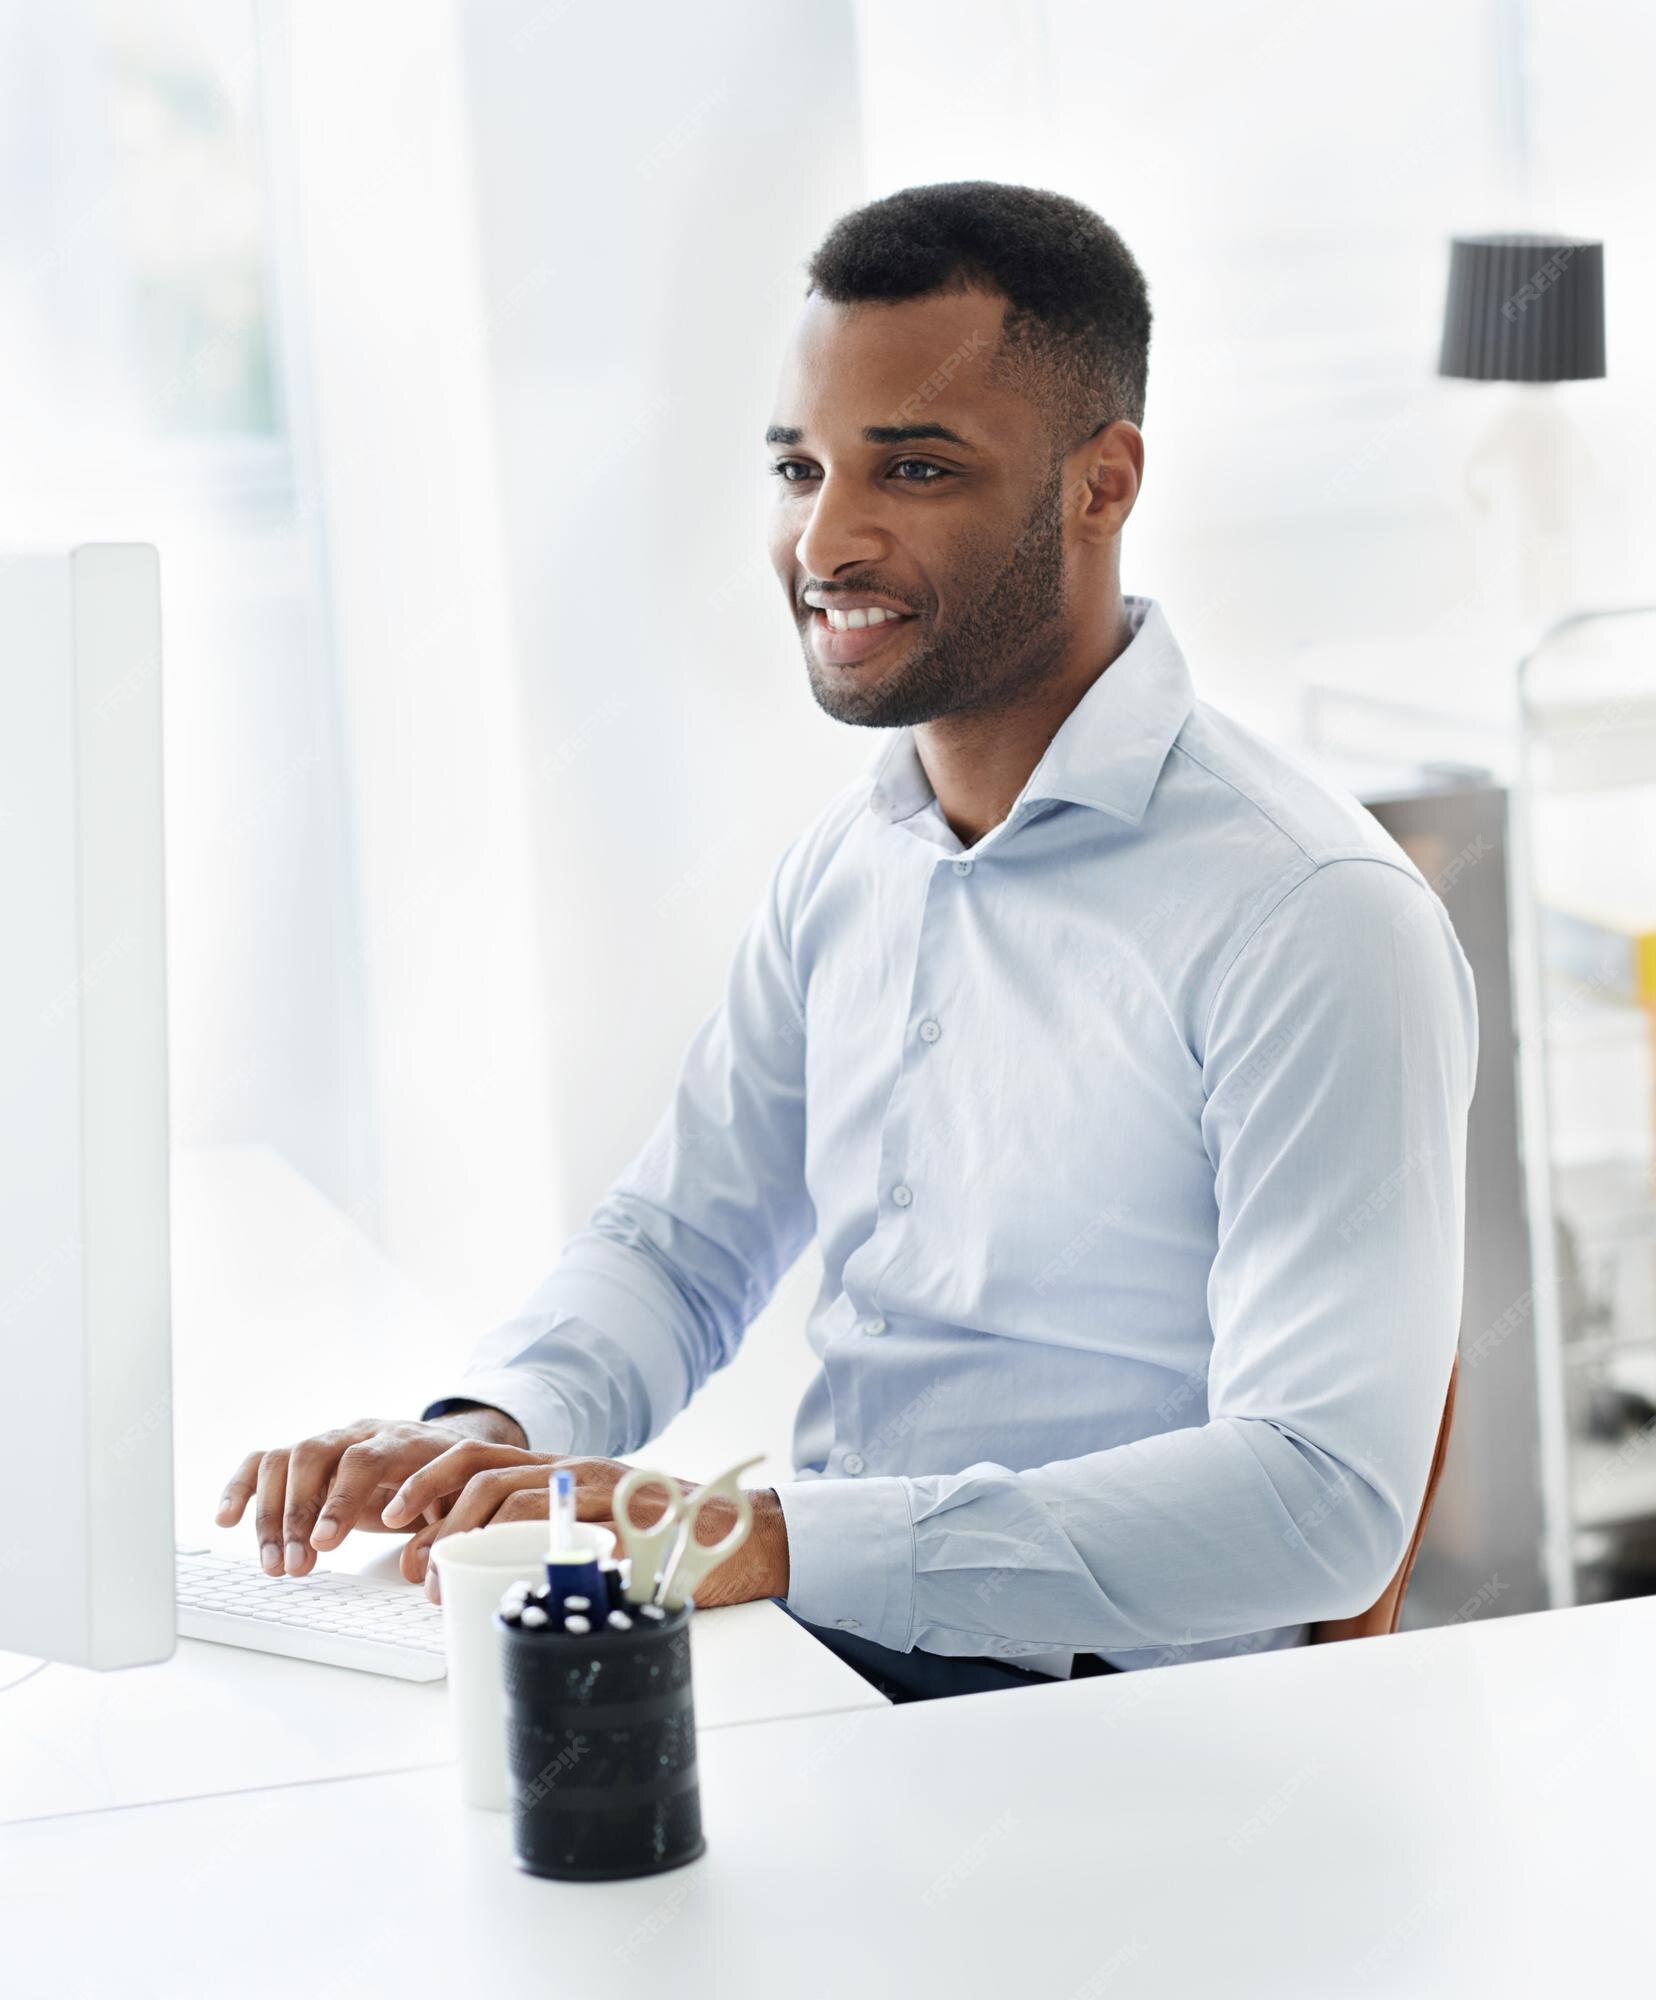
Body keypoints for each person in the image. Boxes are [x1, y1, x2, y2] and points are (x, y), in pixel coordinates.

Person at [218, 181, 1477, 1701]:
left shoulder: (1311, 914)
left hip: (1106, 1728)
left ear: (1103, 484)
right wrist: (486, 1433)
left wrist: (771, 1540)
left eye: (916, 468)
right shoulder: (853, 860)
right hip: (827, 1657)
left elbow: (1319, 1503)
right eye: (798, 469)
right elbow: (679, 1248)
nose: (823, 540)